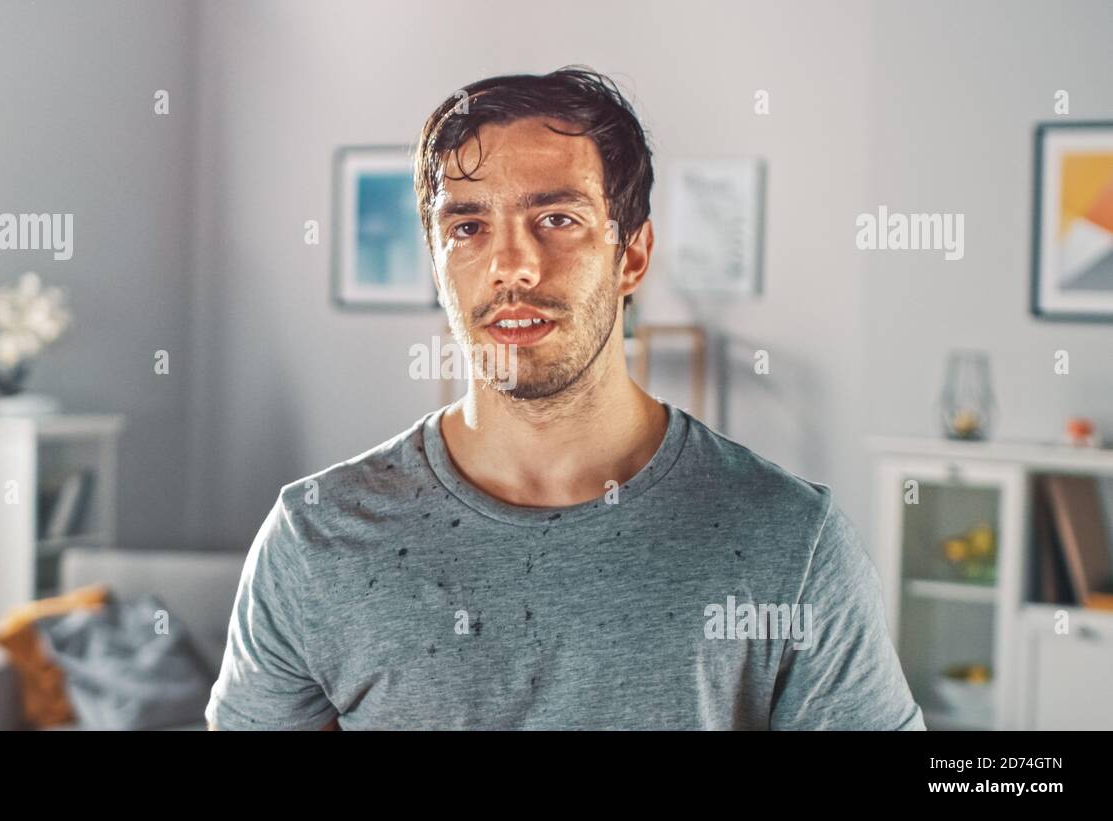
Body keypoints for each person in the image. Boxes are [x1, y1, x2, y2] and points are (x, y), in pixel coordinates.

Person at [206, 66, 925, 730]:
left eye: (557, 219)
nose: (512, 265)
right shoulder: (315, 539)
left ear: (632, 255)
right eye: (468, 227)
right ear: (437, 264)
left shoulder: (791, 544)